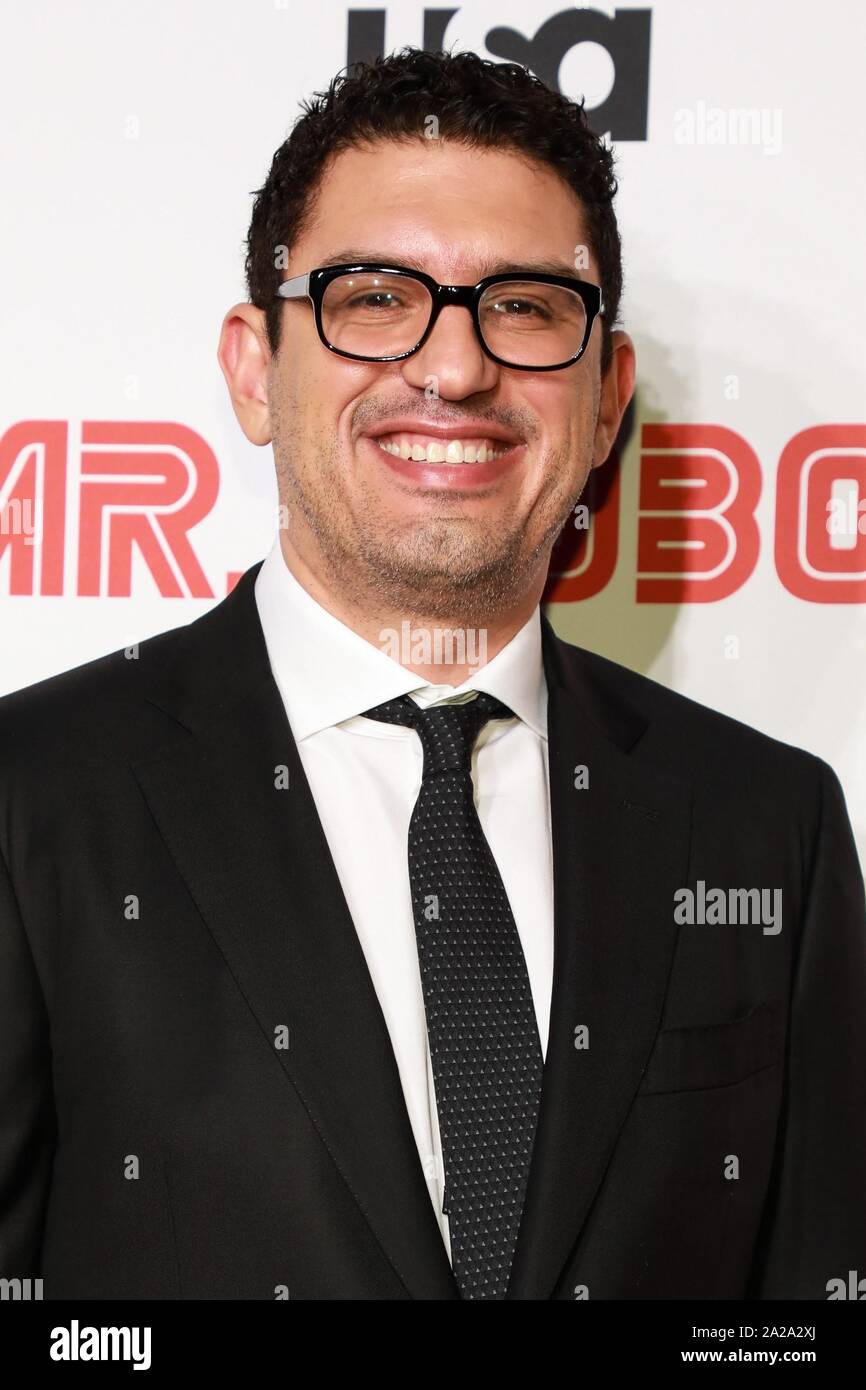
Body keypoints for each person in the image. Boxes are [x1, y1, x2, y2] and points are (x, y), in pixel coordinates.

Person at [1, 48, 863, 1302]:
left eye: (522, 305)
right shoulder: (34, 797)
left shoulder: (761, 823)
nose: (454, 369)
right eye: (371, 296)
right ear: (253, 368)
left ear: (606, 393)